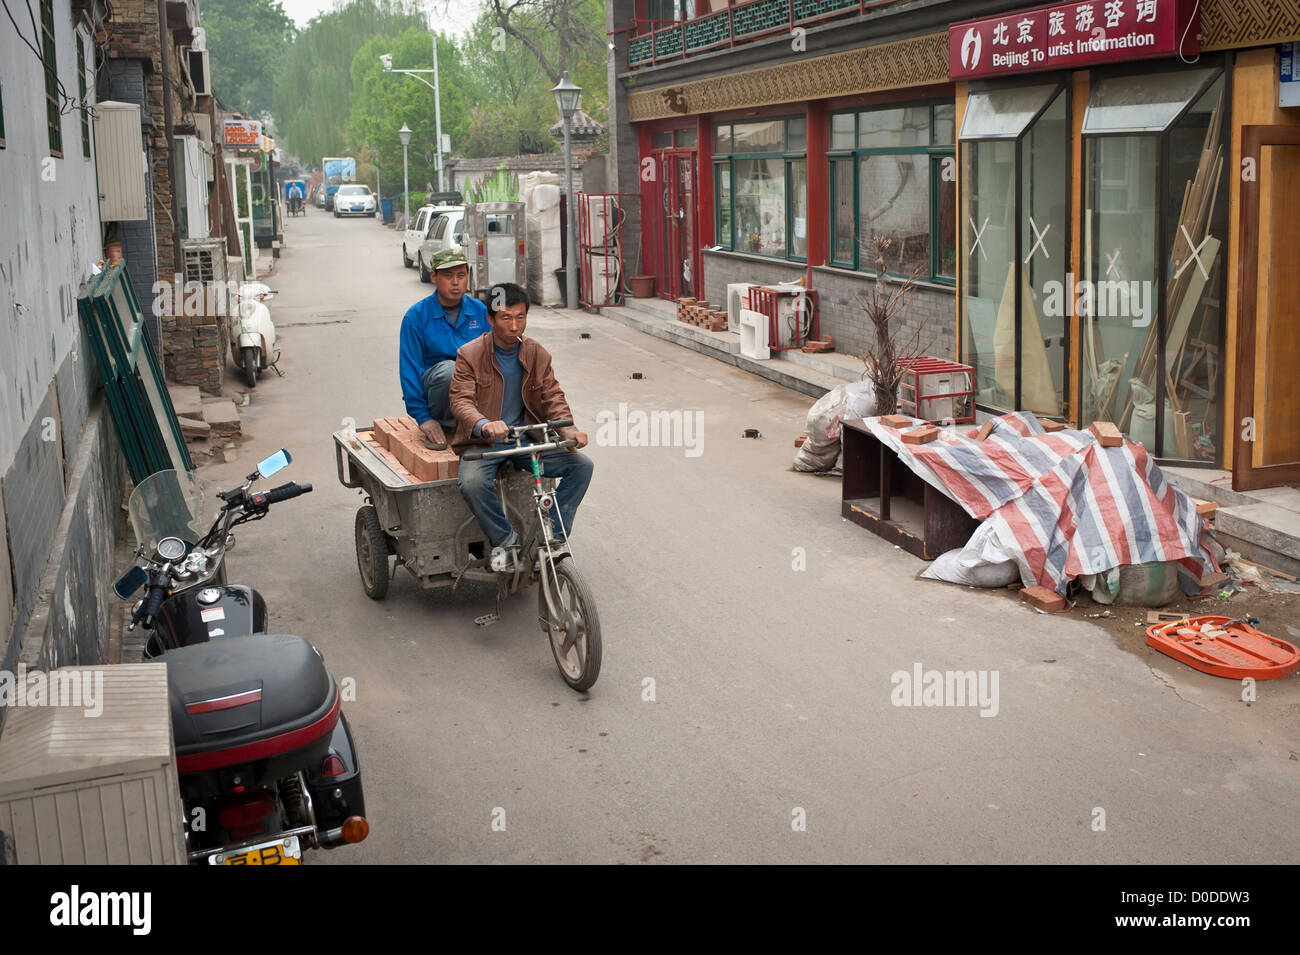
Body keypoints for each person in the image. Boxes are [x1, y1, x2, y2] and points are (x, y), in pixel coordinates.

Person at [449, 282, 592, 572]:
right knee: (472, 483)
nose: (515, 326)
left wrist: (569, 431)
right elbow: (461, 401)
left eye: (521, 317)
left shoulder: (536, 353)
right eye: (506, 318)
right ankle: (506, 541)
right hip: (484, 444)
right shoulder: (470, 354)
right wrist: (484, 424)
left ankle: (548, 537)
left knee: (582, 466)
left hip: (526, 440)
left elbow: (553, 396)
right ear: (490, 319)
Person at [398, 249, 491, 449]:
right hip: (438, 391)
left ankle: (473, 420)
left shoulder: (480, 311)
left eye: (461, 275)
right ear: (434, 276)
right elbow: (409, 371)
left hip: (473, 391)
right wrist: (424, 419)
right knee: (451, 370)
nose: (456, 282)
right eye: (448, 276)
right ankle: (447, 424)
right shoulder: (416, 317)